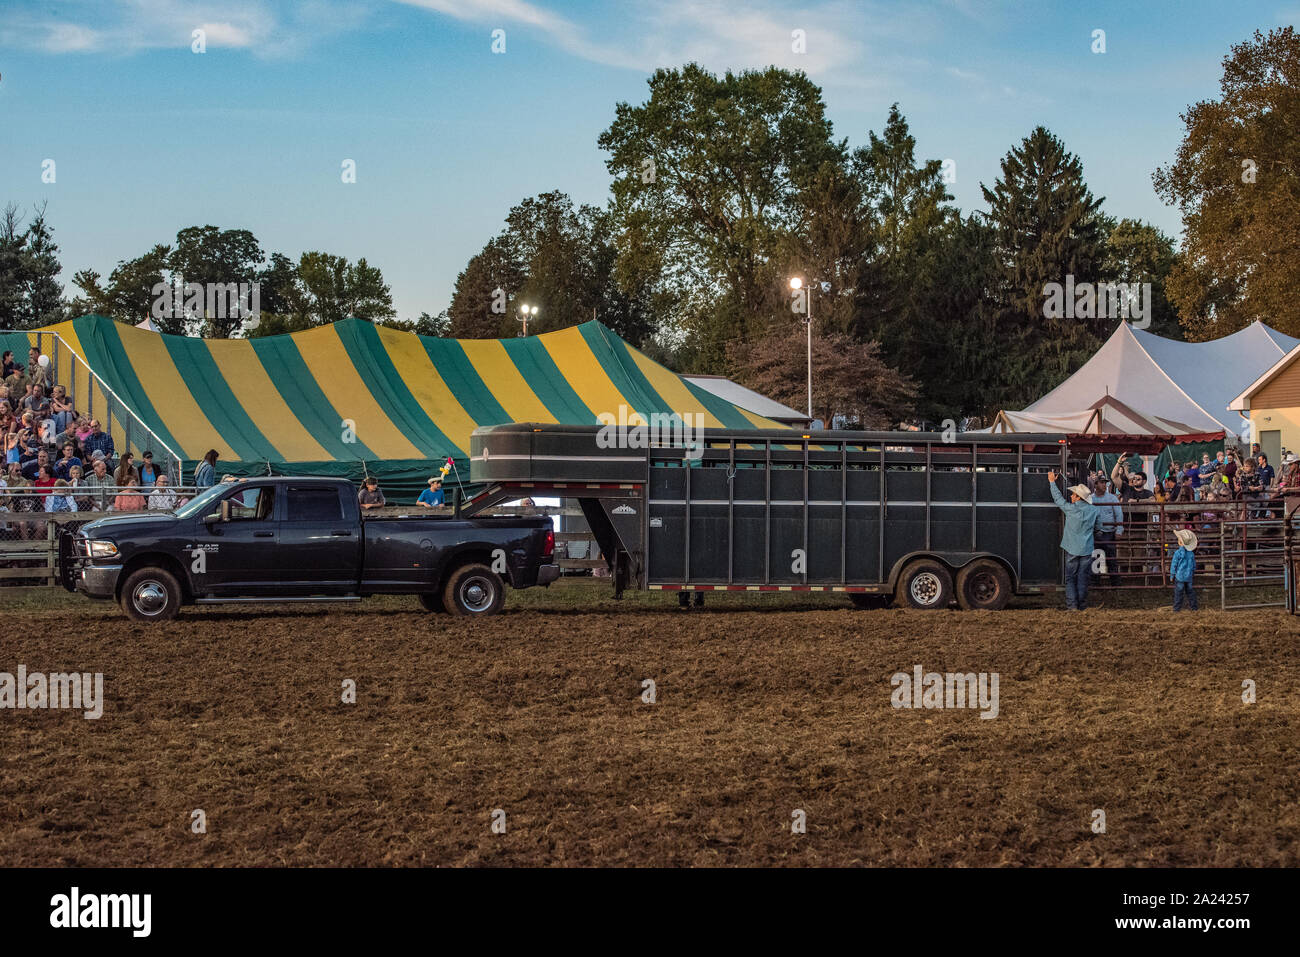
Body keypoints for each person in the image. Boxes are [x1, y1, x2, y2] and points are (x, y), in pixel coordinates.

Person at [1048, 470, 1104, 612]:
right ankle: (1082, 605)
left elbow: (1058, 499)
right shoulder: (1094, 511)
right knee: (1082, 578)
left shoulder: (1071, 509)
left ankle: (1072, 606)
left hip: (1072, 547)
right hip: (1087, 549)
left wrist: (1052, 482)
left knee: (1070, 578)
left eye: (1073, 495)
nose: (1071, 496)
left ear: (1078, 498)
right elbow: (1099, 529)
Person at [1091, 479, 1122, 585]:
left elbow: (1119, 514)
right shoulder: (1091, 498)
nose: (1104, 485)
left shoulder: (1112, 498)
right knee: (1096, 558)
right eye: (1101, 482)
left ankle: (1115, 582)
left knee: (1111, 559)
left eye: (1105, 483)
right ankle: (1096, 582)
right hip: (1096, 532)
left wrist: (1119, 530)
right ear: (1096, 485)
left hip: (1109, 532)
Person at [1169, 528, 1198, 612]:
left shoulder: (1177, 553)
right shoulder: (1191, 553)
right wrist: (1193, 573)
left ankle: (1176, 609)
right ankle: (1194, 608)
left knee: (1178, 593)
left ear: (1180, 542)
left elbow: (1174, 564)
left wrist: (1172, 575)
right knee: (1190, 592)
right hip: (1189, 576)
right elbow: (1193, 565)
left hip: (1180, 576)